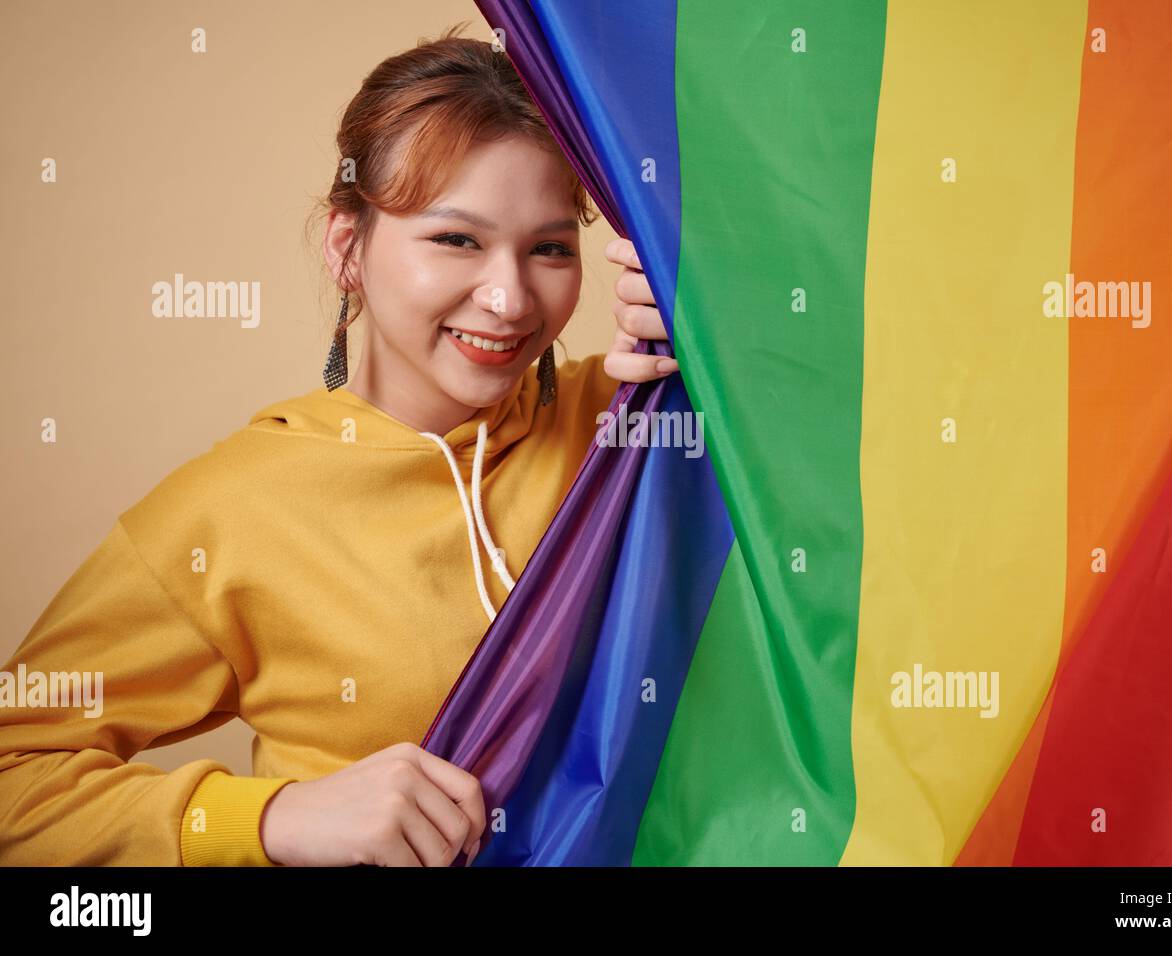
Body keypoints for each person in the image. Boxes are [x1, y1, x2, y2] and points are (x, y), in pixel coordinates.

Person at [0, 26, 676, 867]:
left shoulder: (640, 421)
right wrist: (272, 819)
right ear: (346, 246)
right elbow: (14, 774)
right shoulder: (235, 510)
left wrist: (715, 333)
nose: (508, 298)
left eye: (549, 248)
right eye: (455, 240)